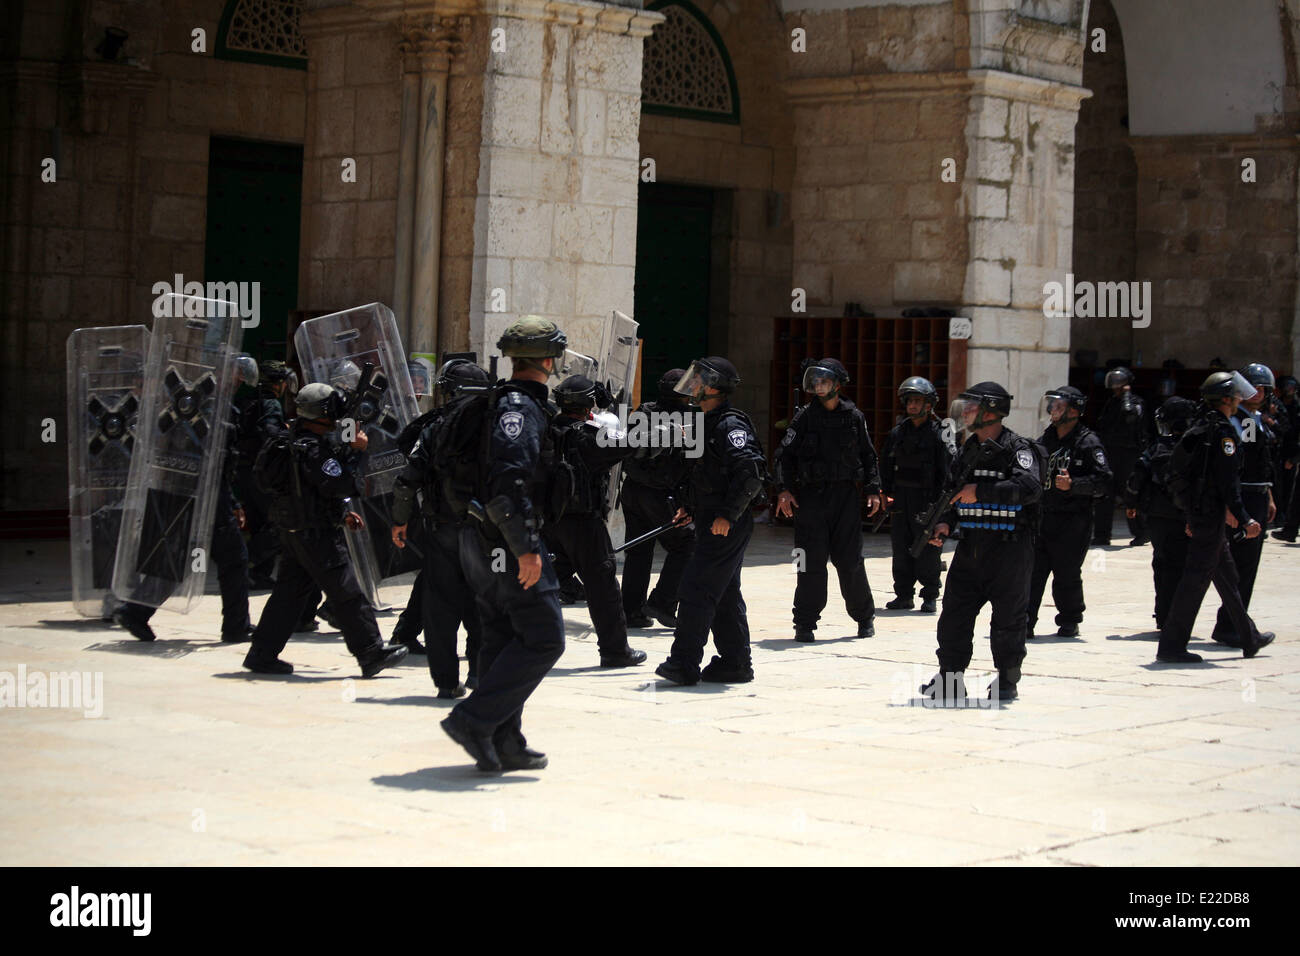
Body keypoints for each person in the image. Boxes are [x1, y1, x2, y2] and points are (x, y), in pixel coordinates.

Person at [440, 316, 568, 772]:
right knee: (545, 637)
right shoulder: (519, 408)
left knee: (502, 637)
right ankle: (474, 720)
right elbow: (508, 483)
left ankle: (505, 740)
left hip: (481, 541)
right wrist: (526, 548)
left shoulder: (501, 402)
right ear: (549, 361)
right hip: (507, 544)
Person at [241, 382, 409, 677]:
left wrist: (342, 513)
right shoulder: (315, 451)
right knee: (347, 593)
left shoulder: (290, 442)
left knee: (288, 595)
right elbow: (345, 484)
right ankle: (370, 652)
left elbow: (307, 490)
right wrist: (358, 452)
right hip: (317, 535)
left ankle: (261, 653)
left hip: (295, 531)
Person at [113, 356, 257, 644]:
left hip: (180, 493)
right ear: (225, 373)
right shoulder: (218, 411)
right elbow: (219, 465)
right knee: (234, 560)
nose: (238, 383)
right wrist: (231, 502)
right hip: (207, 497)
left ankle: (136, 612)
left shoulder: (184, 403)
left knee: (179, 560)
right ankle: (235, 626)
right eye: (238, 378)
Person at [919, 382, 1042, 703]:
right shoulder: (967, 450)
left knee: (1009, 620)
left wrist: (983, 492)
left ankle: (1007, 681)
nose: (965, 414)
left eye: (971, 408)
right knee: (954, 616)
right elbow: (954, 494)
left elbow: (1029, 488)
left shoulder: (1018, 449)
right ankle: (949, 678)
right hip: (971, 546)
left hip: (1010, 549)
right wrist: (945, 522)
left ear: (991, 412)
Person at [655, 356, 767, 684]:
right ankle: (735, 663)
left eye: (700, 380)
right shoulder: (703, 422)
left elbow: (751, 474)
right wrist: (689, 506)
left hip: (725, 523)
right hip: (709, 519)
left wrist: (727, 514)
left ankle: (683, 663)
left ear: (715, 387)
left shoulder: (729, 425)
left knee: (696, 588)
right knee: (725, 593)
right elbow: (703, 474)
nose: (694, 385)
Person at [1155, 372, 1276, 663]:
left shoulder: (1200, 426)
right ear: (1225, 398)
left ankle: (1248, 636)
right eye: (1235, 395)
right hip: (1210, 518)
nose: (1239, 399)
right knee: (1194, 581)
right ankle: (1172, 646)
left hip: (1203, 515)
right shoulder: (1221, 433)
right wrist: (1244, 517)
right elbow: (1227, 482)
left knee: (1228, 577)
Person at [390, 359, 493, 695]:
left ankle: (446, 683)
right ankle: (479, 674)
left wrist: (400, 520)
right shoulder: (496, 425)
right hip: (485, 532)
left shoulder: (435, 427)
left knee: (440, 608)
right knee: (484, 603)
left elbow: (407, 481)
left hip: (442, 529)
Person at [773, 358, 883, 642]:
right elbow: (784, 456)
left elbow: (869, 456)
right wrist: (784, 490)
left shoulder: (853, 416)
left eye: (824, 382)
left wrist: (873, 489)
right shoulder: (805, 416)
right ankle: (805, 623)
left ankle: (864, 618)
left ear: (837, 384)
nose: (818, 387)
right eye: (816, 382)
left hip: (844, 496)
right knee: (809, 562)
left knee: (850, 562)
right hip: (810, 498)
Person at [541, 374, 647, 667]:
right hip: (582, 524)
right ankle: (615, 651)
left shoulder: (544, 429)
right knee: (602, 586)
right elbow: (629, 442)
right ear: (589, 405)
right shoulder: (589, 435)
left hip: (546, 523)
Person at [1026, 385, 1112, 639]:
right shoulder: (1046, 439)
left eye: (1059, 406)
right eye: (1052, 405)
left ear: (1074, 411)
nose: (1053, 410)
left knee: (1066, 573)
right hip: (1043, 516)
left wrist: (1075, 485)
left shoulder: (1088, 443)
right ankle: (1025, 620)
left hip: (1073, 520)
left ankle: (1070, 619)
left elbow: (1104, 481)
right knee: (1033, 571)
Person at [620, 369, 695, 629]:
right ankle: (662, 602)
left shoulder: (643, 411)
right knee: (686, 546)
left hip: (632, 491)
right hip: (662, 495)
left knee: (638, 552)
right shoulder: (688, 418)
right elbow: (691, 463)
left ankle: (630, 611)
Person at [1209, 364, 1278, 647]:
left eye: (1262, 389)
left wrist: (1269, 495)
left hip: (1258, 494)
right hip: (1245, 497)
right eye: (1252, 388)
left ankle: (1234, 623)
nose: (1257, 393)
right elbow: (1243, 466)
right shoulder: (1244, 422)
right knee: (1241, 565)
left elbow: (1262, 465)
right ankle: (1231, 625)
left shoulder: (1255, 418)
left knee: (1245, 566)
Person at [879, 376, 953, 613]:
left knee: (928, 549)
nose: (912, 405)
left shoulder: (940, 434)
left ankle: (930, 595)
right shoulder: (898, 433)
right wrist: (884, 493)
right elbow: (885, 467)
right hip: (902, 500)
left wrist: (943, 507)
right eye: (909, 400)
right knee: (901, 549)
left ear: (929, 404)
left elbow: (949, 472)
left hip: (928, 501)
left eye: (917, 401)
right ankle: (903, 594)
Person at [1125, 397, 1196, 631]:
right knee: (1181, 568)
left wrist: (1131, 502)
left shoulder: (1158, 447)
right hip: (1185, 516)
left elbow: (1138, 475)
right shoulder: (1196, 446)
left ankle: (1163, 614)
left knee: (1162, 563)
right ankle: (1172, 618)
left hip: (1157, 517)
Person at [234, 360, 290, 589]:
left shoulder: (246, 401)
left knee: (258, 522)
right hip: (263, 474)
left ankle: (259, 575)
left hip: (244, 471)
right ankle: (249, 560)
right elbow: (271, 435)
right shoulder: (271, 405)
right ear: (277, 383)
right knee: (279, 523)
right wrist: (286, 435)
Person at [1093, 367, 1148, 545]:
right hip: (1111, 453)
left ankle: (1140, 532)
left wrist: (1126, 397)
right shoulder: (1111, 403)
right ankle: (1102, 534)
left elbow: (1132, 417)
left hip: (1129, 455)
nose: (1115, 390)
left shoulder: (1135, 402)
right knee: (1105, 494)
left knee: (1129, 494)